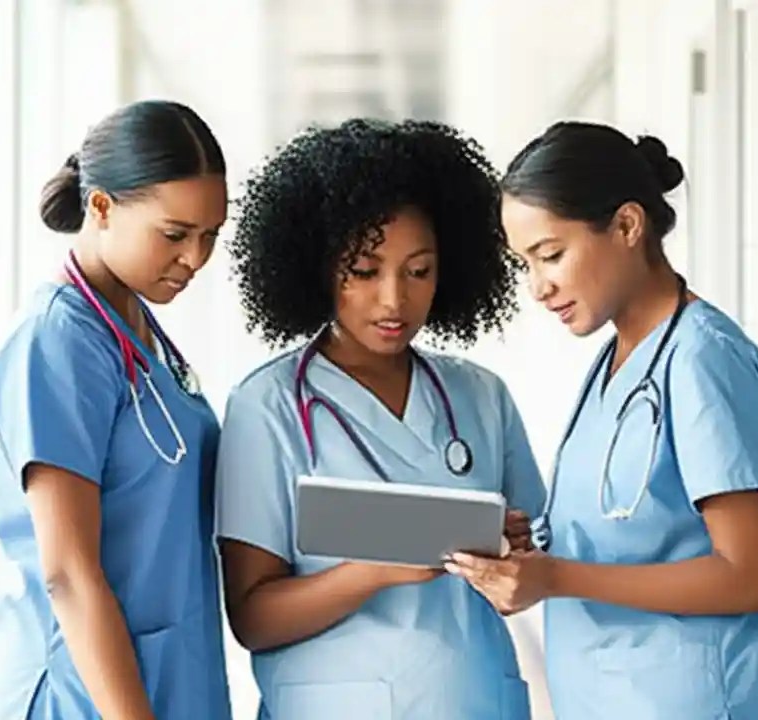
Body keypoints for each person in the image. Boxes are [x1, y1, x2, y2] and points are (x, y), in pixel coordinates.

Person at [447, 120, 758, 718]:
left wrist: (556, 577)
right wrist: (525, 550)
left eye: (551, 255)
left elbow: (748, 575)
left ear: (628, 226)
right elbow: (626, 531)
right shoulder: (616, 362)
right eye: (524, 265)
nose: (538, 287)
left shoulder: (704, 360)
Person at [216, 118, 546, 720]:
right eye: (365, 271)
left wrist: (516, 557)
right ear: (319, 267)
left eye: (418, 271)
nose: (394, 300)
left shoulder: (480, 396)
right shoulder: (267, 407)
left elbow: (531, 576)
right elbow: (252, 618)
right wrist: (371, 572)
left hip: (476, 699)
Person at [0, 100, 233, 720]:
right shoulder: (58, 341)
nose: (195, 259)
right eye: (174, 235)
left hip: (173, 681)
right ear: (100, 207)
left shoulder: (137, 329)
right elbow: (67, 571)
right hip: (84, 696)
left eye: (209, 236)